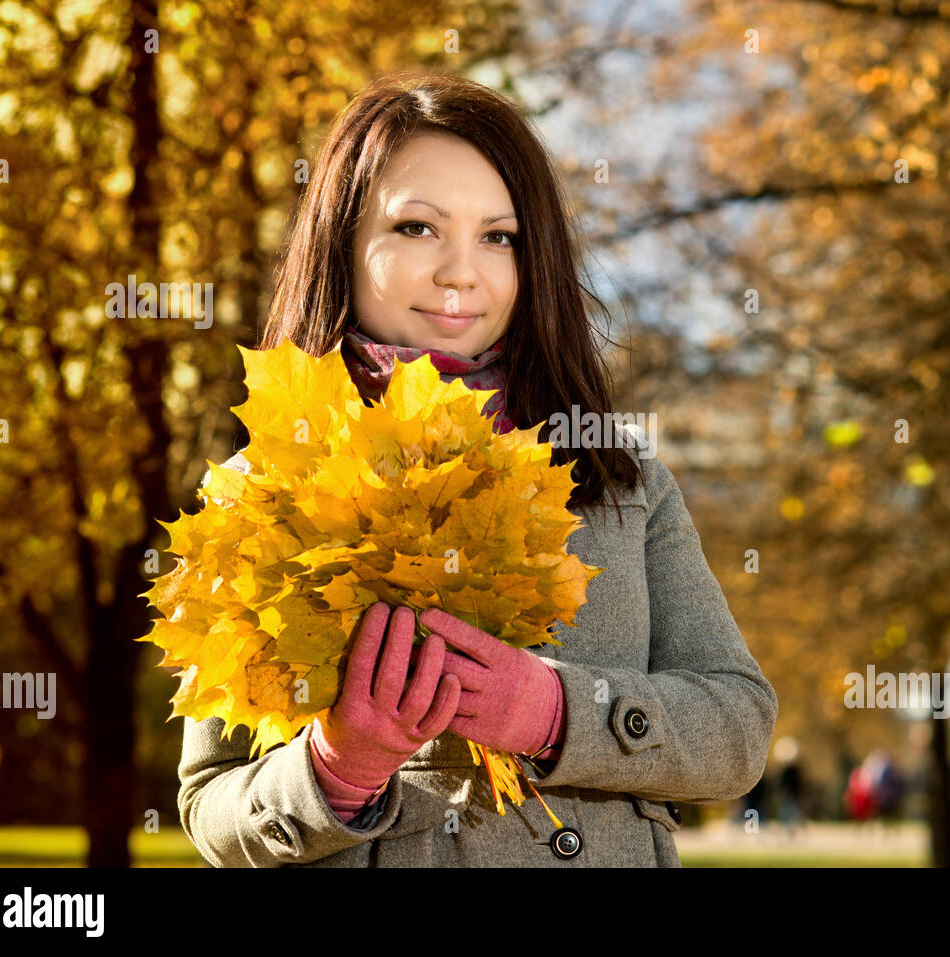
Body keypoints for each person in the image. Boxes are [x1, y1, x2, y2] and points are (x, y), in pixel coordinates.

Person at [175, 71, 778, 868]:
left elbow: (737, 728)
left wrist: (559, 712)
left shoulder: (616, 478)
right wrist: (335, 770)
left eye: (499, 237)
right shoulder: (260, 487)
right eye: (418, 227)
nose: (462, 272)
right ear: (343, 243)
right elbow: (209, 805)